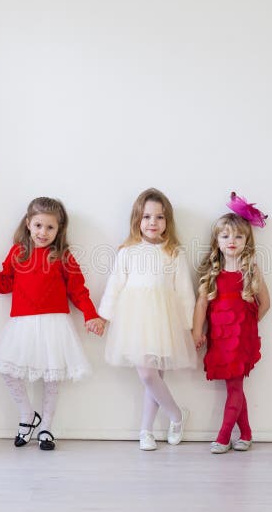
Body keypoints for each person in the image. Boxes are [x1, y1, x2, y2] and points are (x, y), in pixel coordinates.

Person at [0, 197, 105, 451]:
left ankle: (46, 428)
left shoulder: (62, 256)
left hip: (55, 324)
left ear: (59, 229)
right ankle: (27, 415)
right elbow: (5, 284)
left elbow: (78, 291)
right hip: (22, 324)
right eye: (38, 226)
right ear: (28, 224)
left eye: (50, 227)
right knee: (7, 370)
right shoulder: (18, 253)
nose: (43, 232)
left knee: (52, 379)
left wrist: (91, 315)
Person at [99, 188, 196, 451]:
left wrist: (189, 327)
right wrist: (104, 317)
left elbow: (184, 292)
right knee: (147, 374)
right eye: (147, 217)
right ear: (137, 220)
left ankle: (146, 430)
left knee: (155, 376)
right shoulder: (128, 251)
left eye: (160, 217)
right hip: (136, 322)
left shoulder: (174, 252)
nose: (153, 222)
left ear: (168, 221)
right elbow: (115, 286)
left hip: (165, 321)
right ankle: (177, 415)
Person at [193, 193, 270, 453]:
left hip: (242, 339)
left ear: (247, 240)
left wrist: (246, 326)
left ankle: (224, 436)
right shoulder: (211, 271)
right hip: (219, 338)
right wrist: (197, 332)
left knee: (235, 385)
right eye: (225, 236)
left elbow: (266, 303)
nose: (232, 241)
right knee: (233, 385)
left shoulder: (251, 270)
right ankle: (246, 433)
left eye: (238, 236)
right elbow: (201, 305)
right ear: (217, 241)